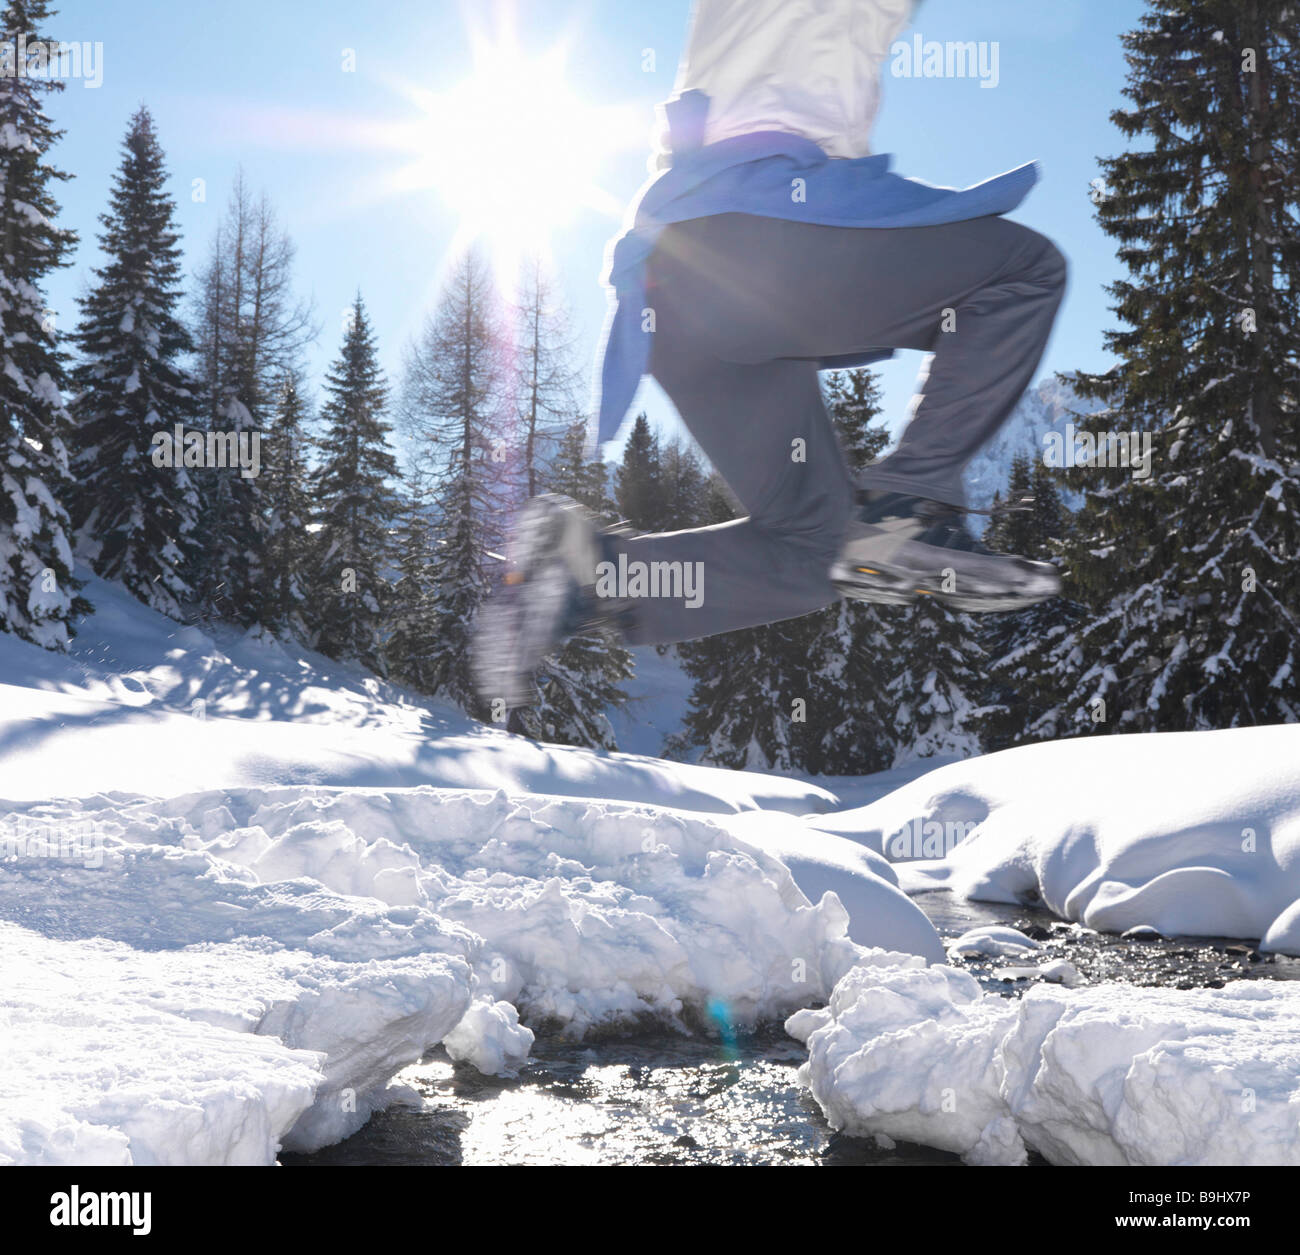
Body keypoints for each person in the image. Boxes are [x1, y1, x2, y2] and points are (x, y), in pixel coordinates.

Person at [475, 0, 1068, 709]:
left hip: (679, 301)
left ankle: (593, 577)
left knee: (812, 546)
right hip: (758, 239)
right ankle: (905, 506)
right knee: (1022, 270)